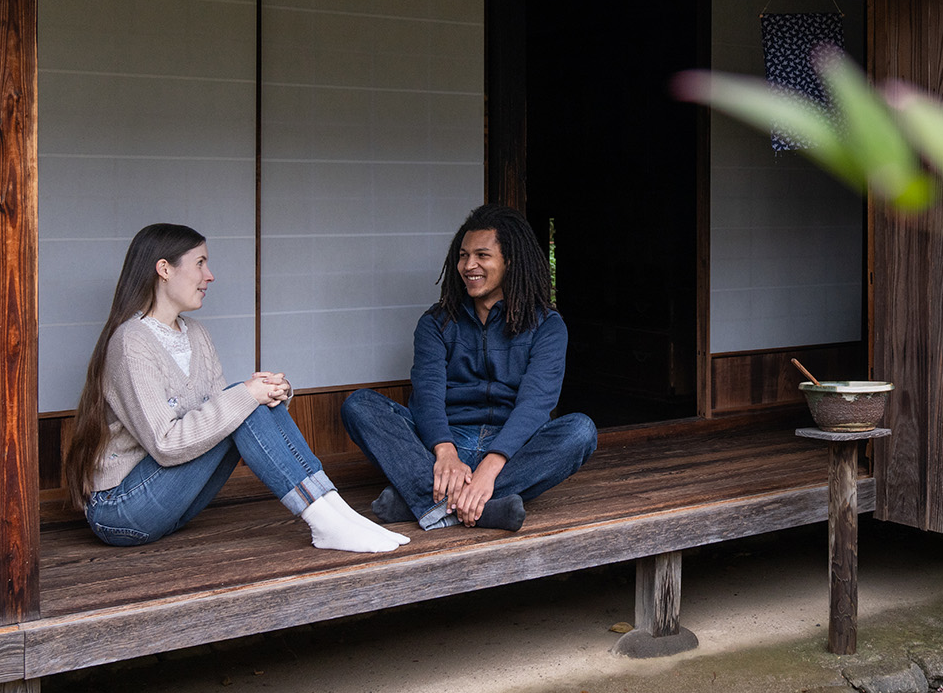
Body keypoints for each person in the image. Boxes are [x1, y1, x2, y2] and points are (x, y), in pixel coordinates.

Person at [61, 223, 407, 554]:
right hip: (120, 509)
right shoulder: (131, 342)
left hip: (172, 502)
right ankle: (326, 519)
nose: (209, 275)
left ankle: (337, 514)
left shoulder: (196, 333)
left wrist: (271, 393)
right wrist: (247, 395)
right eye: (200, 263)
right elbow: (166, 445)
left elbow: (220, 416)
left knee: (246, 403)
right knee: (242, 401)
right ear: (164, 269)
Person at [342, 204, 596, 532]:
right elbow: (427, 394)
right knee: (359, 405)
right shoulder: (437, 322)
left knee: (580, 431)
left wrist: (491, 466)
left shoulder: (546, 326)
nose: (468, 265)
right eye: (463, 255)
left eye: (482, 255)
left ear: (510, 261)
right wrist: (445, 451)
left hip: (512, 449)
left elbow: (535, 404)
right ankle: (483, 509)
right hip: (444, 445)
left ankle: (429, 502)